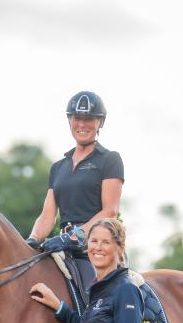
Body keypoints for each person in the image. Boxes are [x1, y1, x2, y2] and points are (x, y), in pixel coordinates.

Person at [26, 91, 124, 290]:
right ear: (69, 120)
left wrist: (72, 237)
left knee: (96, 304)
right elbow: (47, 216)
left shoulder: (109, 159)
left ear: (100, 123)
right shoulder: (58, 167)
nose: (82, 124)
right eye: (77, 118)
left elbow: (110, 211)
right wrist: (32, 241)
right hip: (63, 248)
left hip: (96, 247)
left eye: (89, 119)